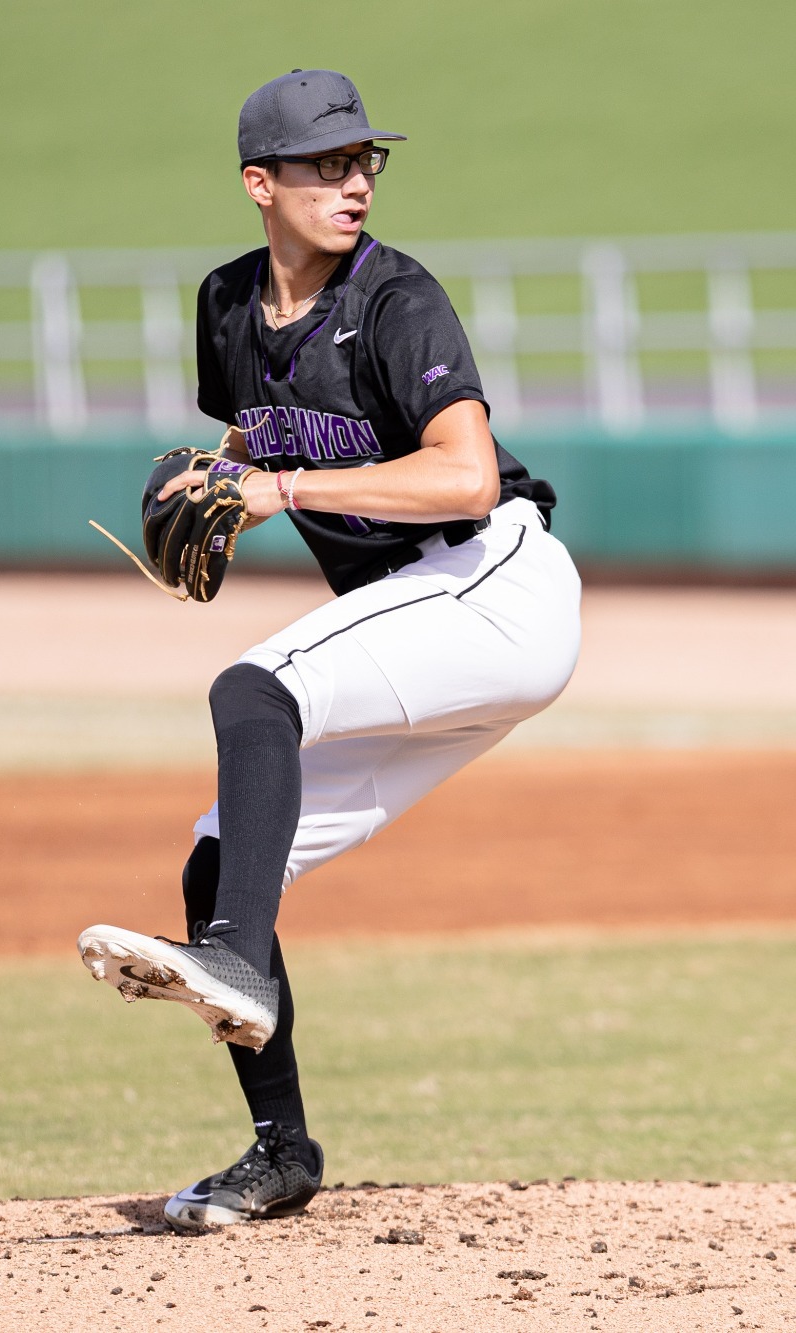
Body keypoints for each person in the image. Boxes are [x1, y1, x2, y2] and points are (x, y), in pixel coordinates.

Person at [78, 68, 582, 1233]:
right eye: (324, 163)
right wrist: (218, 483)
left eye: (365, 161)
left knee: (254, 691)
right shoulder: (223, 306)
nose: (354, 181)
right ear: (260, 184)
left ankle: (236, 969)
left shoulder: (395, 299)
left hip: (490, 581)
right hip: (426, 627)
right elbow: (252, 428)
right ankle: (280, 1149)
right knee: (222, 868)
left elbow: (463, 473)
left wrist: (274, 487)